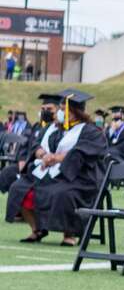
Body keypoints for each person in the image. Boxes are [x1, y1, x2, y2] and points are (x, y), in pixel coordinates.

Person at [5, 89, 106, 246]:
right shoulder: (52, 128)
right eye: (60, 109)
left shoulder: (91, 131)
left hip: (77, 177)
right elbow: (35, 145)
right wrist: (43, 155)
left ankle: (69, 234)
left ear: (75, 112)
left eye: (63, 109)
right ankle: (37, 229)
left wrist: (56, 158)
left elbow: (82, 152)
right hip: (49, 173)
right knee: (18, 188)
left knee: (63, 194)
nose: (60, 113)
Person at [0, 94, 60, 195]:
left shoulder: (61, 129)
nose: (45, 111)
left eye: (49, 109)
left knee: (20, 186)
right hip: (29, 163)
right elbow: (26, 145)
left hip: (48, 165)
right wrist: (22, 162)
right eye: (43, 109)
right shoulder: (37, 126)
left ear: (59, 110)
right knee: (6, 173)